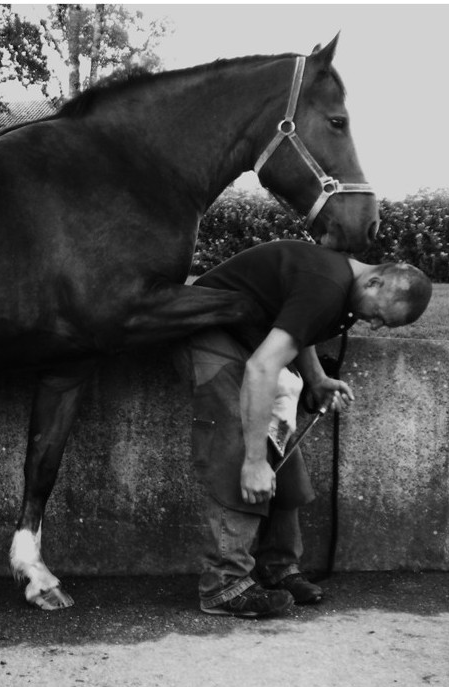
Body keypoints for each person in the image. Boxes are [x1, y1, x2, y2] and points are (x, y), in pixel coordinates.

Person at [177, 239, 432, 618]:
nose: (375, 324)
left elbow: (299, 327)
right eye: (380, 316)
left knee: (280, 439)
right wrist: (252, 461)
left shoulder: (340, 284)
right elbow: (261, 369)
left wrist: (316, 379)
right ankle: (224, 586)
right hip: (209, 329)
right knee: (237, 443)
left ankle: (278, 568)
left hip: (248, 333)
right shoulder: (326, 286)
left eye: (383, 325)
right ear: (375, 283)